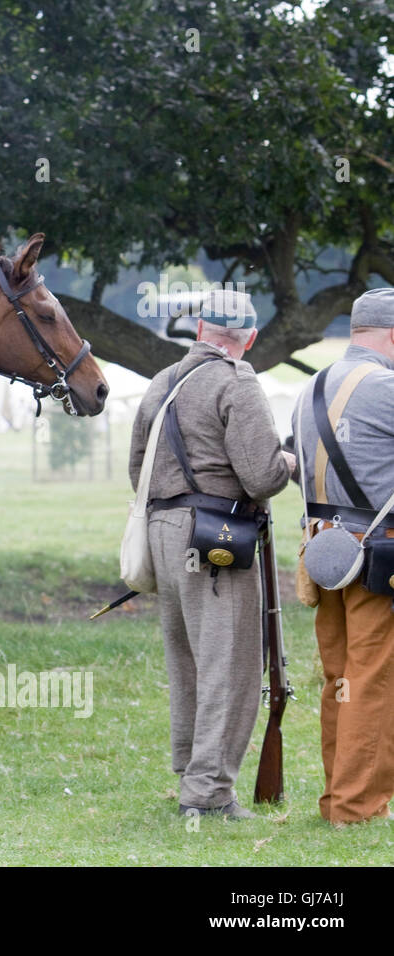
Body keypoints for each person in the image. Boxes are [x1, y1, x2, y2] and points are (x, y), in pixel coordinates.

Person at [127, 289, 294, 820]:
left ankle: (191, 771)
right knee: (230, 663)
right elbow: (262, 475)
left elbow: (138, 469)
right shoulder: (236, 381)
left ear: (200, 331)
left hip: (163, 529)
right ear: (249, 338)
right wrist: (288, 461)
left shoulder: (161, 382)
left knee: (188, 660)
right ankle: (208, 792)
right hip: (217, 537)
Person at [291, 287, 394, 826]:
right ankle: (356, 808)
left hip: (325, 553)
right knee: (373, 680)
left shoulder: (309, 386)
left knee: (341, 677)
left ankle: (338, 797)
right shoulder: (390, 388)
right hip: (381, 560)